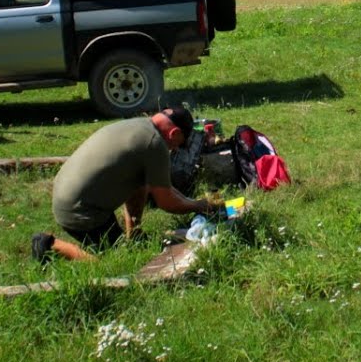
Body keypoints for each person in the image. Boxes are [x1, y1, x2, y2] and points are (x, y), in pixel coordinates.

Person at [32, 106, 220, 263]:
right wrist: (198, 206)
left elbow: (156, 187)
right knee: (111, 261)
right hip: (80, 211)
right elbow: (166, 202)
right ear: (174, 133)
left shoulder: (139, 125)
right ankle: (48, 244)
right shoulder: (154, 144)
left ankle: (134, 233)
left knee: (141, 183)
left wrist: (194, 202)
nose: (176, 149)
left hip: (67, 195)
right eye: (178, 144)